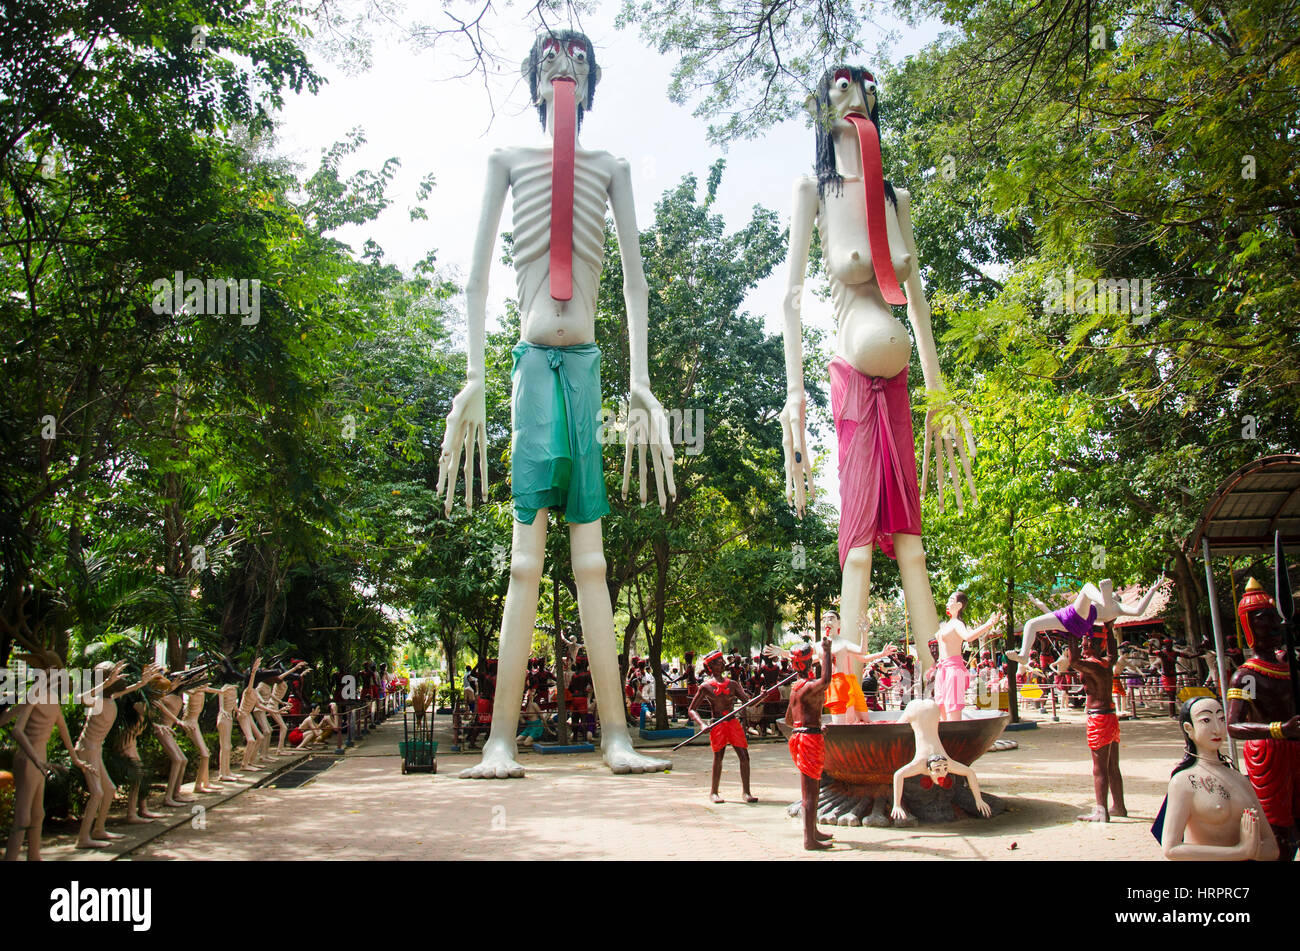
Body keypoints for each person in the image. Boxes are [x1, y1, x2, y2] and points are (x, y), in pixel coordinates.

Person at [1226, 578, 1300, 861]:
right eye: (1263, 620)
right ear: (1249, 627)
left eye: (1275, 619)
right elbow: (1234, 725)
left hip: (1296, 750)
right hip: (1272, 754)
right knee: (1278, 827)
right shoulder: (1249, 677)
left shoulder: (1290, 665)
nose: (1273, 626)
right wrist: (1279, 729)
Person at [1156, 696, 1279, 860]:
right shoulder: (1184, 781)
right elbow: (1171, 849)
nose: (1217, 729)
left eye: (1221, 719)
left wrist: (1253, 850)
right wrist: (1240, 852)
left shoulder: (1239, 779)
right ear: (1189, 728)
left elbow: (1272, 847)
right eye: (1206, 720)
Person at [891, 698, 992, 823]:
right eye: (943, 770)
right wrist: (978, 799)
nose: (943, 771)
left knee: (896, 726)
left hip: (928, 710)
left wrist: (897, 804)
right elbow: (969, 773)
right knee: (897, 726)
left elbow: (898, 775)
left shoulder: (930, 763)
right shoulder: (938, 763)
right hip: (924, 711)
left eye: (942, 769)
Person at [1068, 621, 1127, 822]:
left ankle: (1101, 811)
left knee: (1099, 768)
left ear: (1090, 646)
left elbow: (1073, 660)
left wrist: (1071, 632)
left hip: (1099, 718)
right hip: (1111, 716)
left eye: (1084, 645)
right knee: (1112, 766)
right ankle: (1119, 806)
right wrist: (1109, 629)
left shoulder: (1092, 665)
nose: (1083, 648)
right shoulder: (1106, 663)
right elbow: (1113, 655)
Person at [687, 650, 757, 804]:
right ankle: (714, 792)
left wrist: (760, 697)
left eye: (723, 661)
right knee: (718, 757)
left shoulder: (732, 684)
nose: (724, 663)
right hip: (717, 724)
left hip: (732, 722)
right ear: (711, 666)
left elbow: (748, 701)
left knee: (744, 756)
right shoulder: (705, 686)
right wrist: (702, 724)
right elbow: (691, 709)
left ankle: (746, 792)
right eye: (719, 661)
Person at [785, 638, 835, 850]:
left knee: (813, 788)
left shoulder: (796, 688)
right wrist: (827, 651)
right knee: (811, 793)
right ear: (806, 663)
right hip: (808, 740)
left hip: (803, 736)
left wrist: (811, 724)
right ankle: (809, 839)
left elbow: (789, 720)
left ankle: (813, 831)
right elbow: (825, 681)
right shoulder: (808, 687)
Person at [932, 590, 1000, 720]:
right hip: (942, 669)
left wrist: (988, 624)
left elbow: (968, 637)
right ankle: (946, 739)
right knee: (941, 708)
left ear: (958, 605)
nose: (947, 603)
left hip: (953, 669)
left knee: (952, 710)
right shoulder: (946, 624)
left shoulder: (957, 624)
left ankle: (954, 738)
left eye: (951, 600)